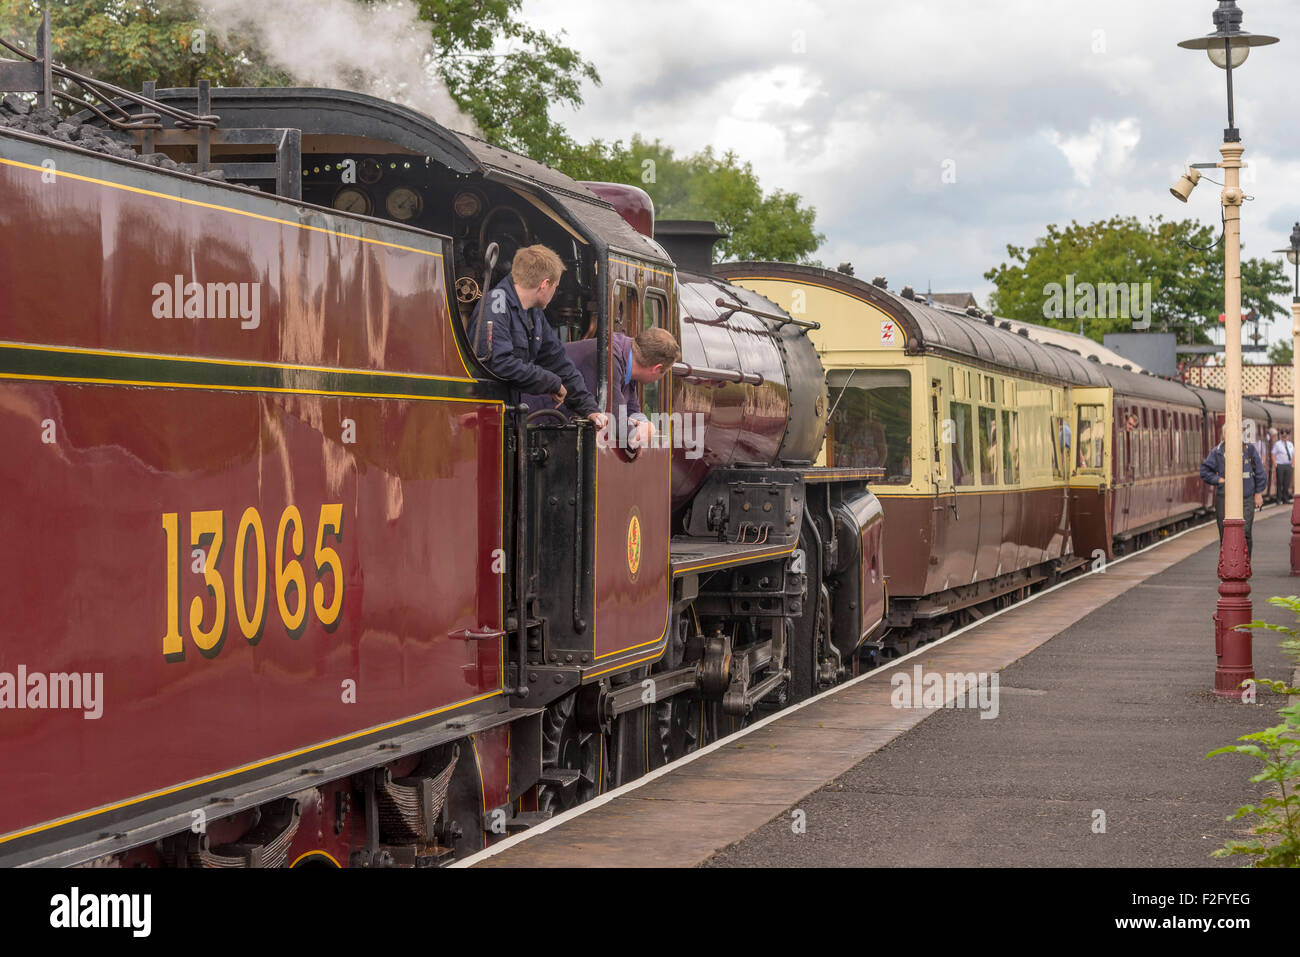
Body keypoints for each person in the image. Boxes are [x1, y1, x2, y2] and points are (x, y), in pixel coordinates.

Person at [467, 244, 606, 428]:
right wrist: (551, 382)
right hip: (481, 416)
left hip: (506, 417)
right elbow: (498, 363)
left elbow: (558, 361)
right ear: (544, 284)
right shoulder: (496, 305)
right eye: (555, 286)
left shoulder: (534, 315)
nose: (555, 292)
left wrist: (589, 408)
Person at [566, 327, 680, 449]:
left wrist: (646, 425)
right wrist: (639, 434)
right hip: (550, 423)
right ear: (657, 368)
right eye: (664, 372)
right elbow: (616, 420)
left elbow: (631, 409)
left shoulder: (628, 358)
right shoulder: (610, 358)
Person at [1200, 426, 1267, 559]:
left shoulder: (1249, 449)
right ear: (1223, 434)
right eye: (1226, 433)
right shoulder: (1217, 451)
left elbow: (1260, 472)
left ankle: (1245, 564)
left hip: (1246, 497)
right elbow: (1205, 471)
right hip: (1224, 498)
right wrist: (1218, 479)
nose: (1229, 435)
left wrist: (1258, 493)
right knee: (1225, 534)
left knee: (1246, 531)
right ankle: (1227, 564)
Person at [1272, 428, 1294, 504]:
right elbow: (1273, 454)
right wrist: (1276, 464)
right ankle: (1278, 499)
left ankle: (1285, 498)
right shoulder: (1277, 444)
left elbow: (1293, 454)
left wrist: (1292, 464)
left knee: (1286, 483)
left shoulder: (1290, 444)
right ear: (1281, 436)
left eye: (1286, 435)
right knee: (1280, 482)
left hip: (1288, 465)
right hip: (1280, 465)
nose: (1285, 437)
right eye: (1283, 435)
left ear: (1288, 436)